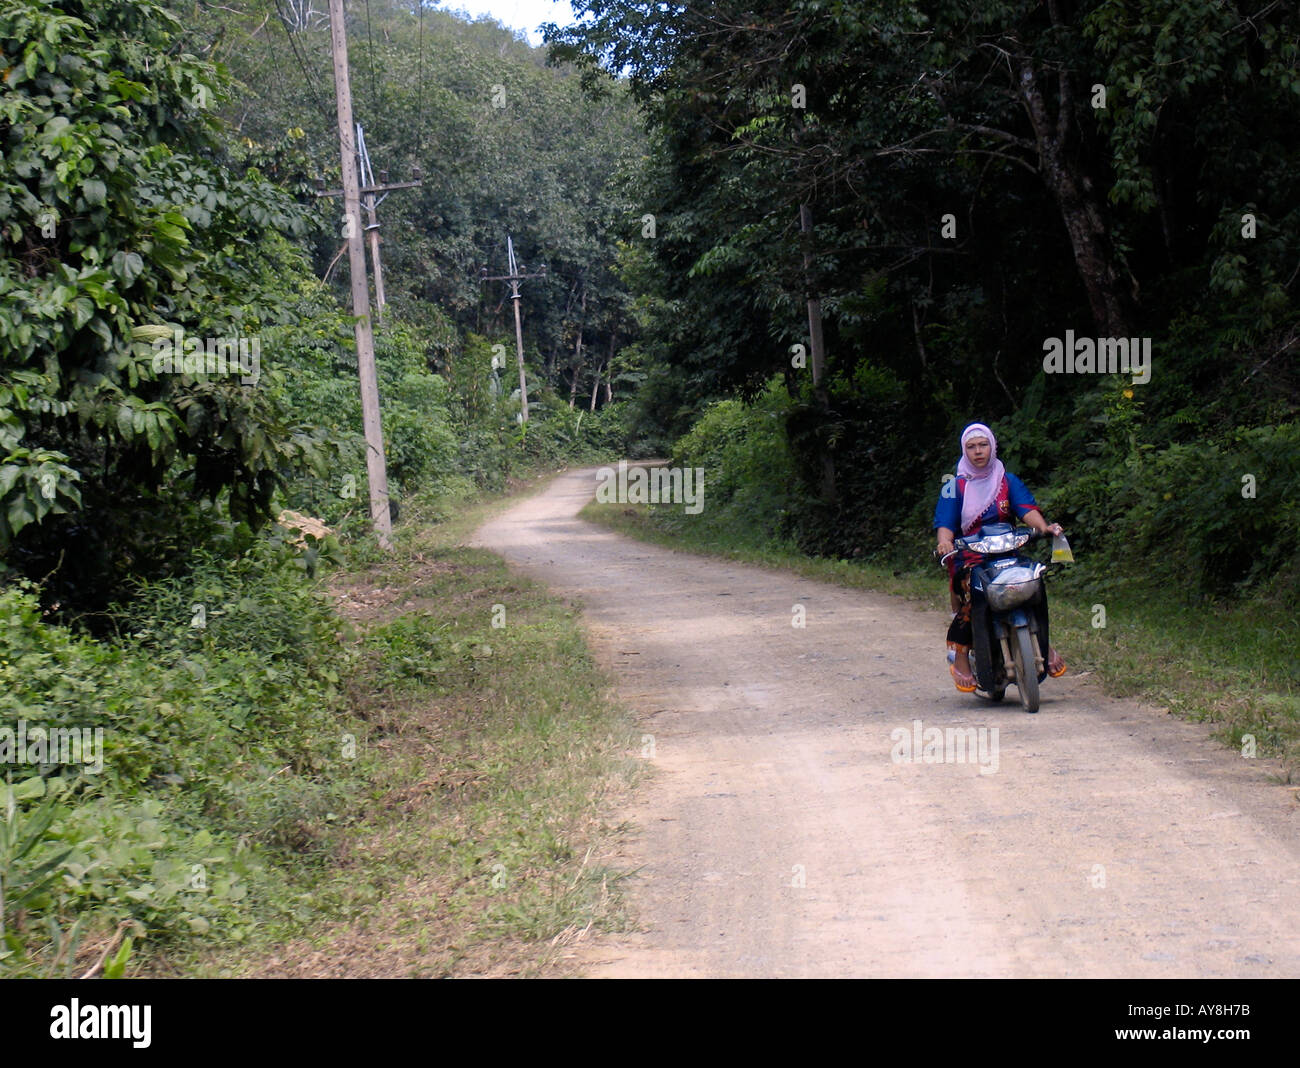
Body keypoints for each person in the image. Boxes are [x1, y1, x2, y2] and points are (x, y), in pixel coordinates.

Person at [933, 422, 1066, 692]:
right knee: (972, 594)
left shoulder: (1007, 480)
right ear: (964, 451)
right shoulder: (954, 487)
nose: (978, 451)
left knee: (1034, 583)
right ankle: (961, 657)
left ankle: (1043, 642)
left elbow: (1026, 510)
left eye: (983, 445)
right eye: (971, 447)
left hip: (1008, 552)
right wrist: (945, 542)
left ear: (992, 447)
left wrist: (1044, 528)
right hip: (971, 557)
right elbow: (944, 526)